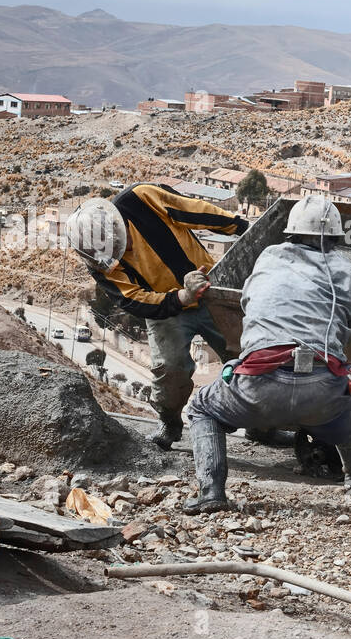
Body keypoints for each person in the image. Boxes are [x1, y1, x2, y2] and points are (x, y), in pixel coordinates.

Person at [182, 195, 351, 513]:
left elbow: (249, 305)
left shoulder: (267, 258)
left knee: (202, 409)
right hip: (320, 391)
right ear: (335, 238)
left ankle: (212, 493)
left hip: (256, 384)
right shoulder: (345, 271)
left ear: (290, 233)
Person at [65, 184, 249, 450]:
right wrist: (181, 298)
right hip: (166, 309)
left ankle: (262, 426)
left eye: (120, 243)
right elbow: (133, 300)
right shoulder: (99, 260)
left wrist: (240, 227)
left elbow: (193, 211)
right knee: (169, 370)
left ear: (116, 225)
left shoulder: (140, 198)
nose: (122, 252)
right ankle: (170, 422)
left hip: (210, 289)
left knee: (247, 354)